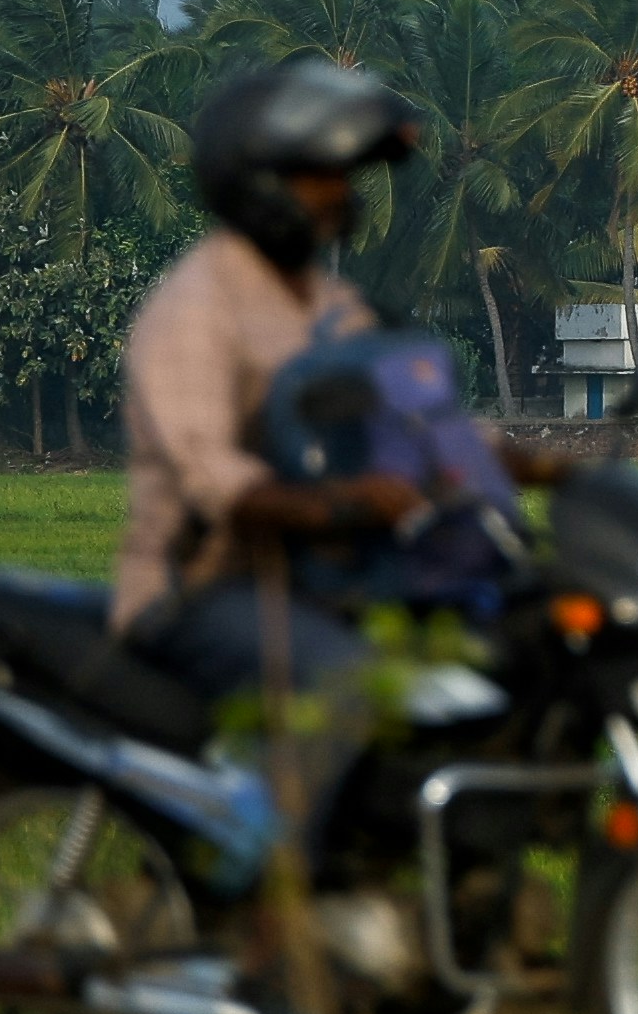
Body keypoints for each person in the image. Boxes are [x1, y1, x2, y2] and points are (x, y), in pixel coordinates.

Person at [116, 57, 432, 833]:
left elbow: (411, 413)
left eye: (343, 177)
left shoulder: (333, 306)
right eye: (318, 176)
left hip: (312, 579)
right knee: (349, 677)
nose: (340, 196)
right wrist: (343, 503)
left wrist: (525, 463)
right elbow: (209, 475)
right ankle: (271, 893)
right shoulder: (196, 306)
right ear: (257, 184)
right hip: (198, 588)